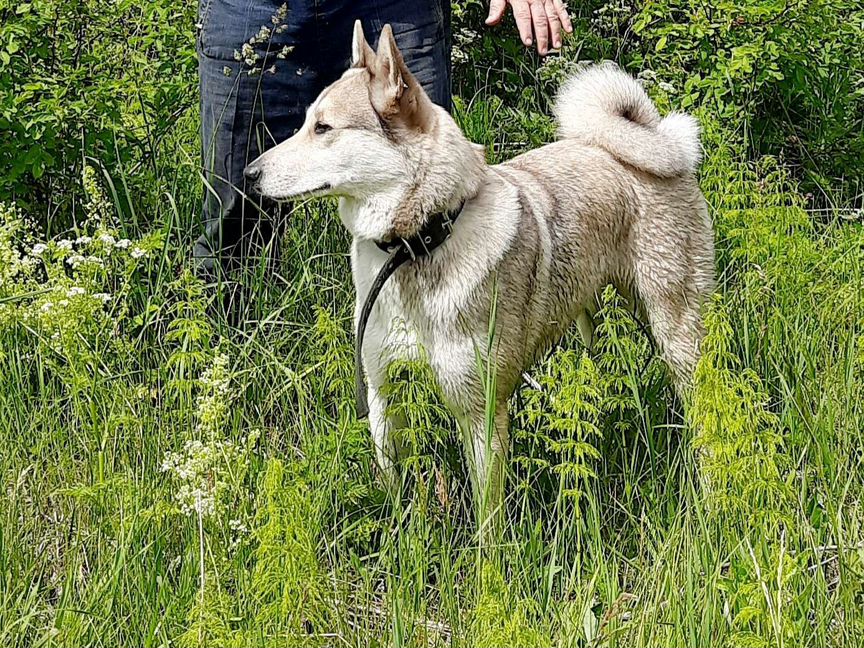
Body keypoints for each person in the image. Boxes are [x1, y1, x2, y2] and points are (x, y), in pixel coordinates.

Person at [193, 0, 572, 275]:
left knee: (437, 209)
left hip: (397, 7)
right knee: (234, 226)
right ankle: (218, 368)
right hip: (249, 8)